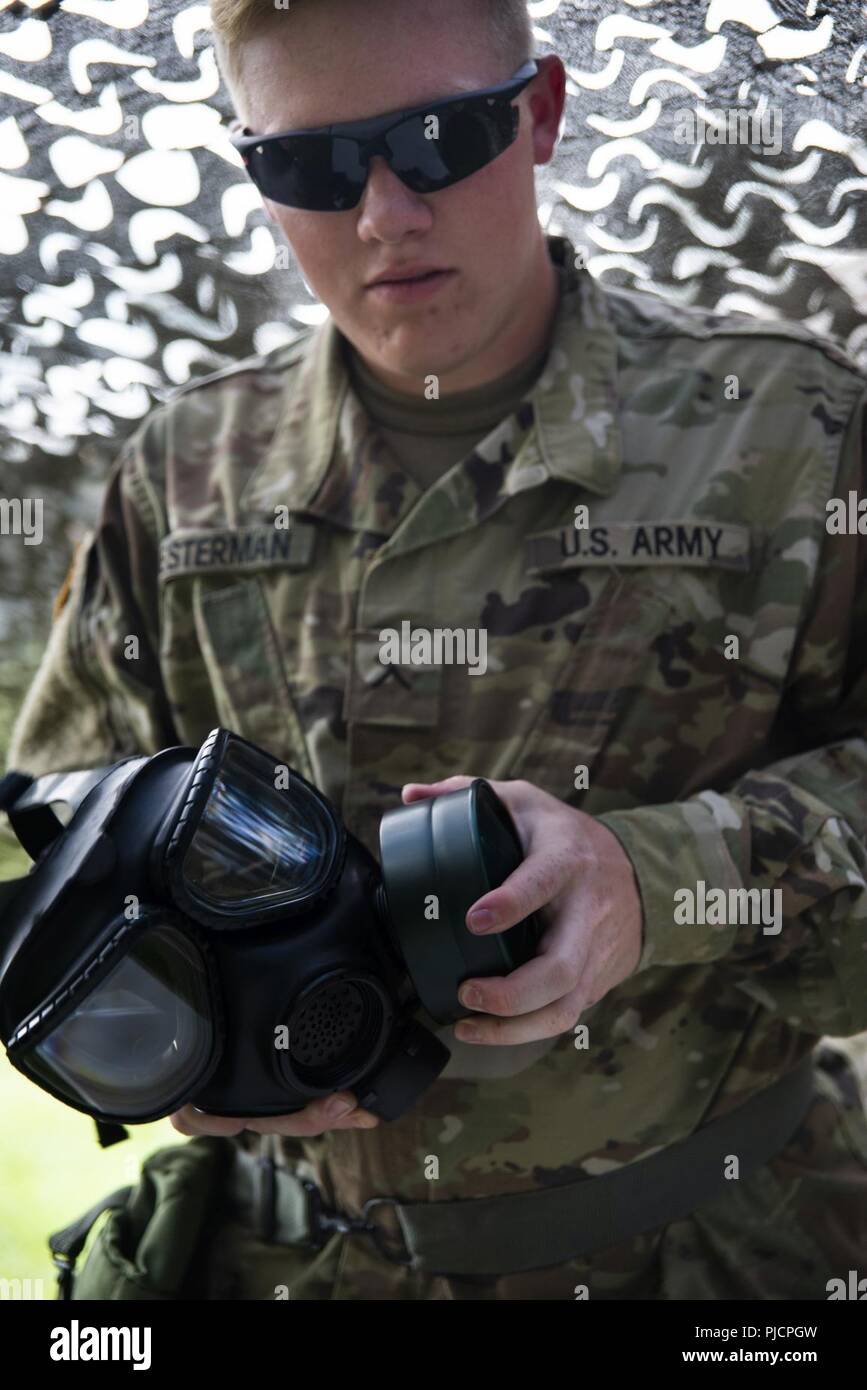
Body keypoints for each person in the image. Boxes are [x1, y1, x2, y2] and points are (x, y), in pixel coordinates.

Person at [7, 0, 867, 1301]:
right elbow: (56, 842)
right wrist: (176, 1042)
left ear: (541, 114)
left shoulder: (792, 436)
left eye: (439, 136)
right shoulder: (183, 476)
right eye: (312, 164)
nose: (384, 213)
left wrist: (663, 878)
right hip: (277, 1259)